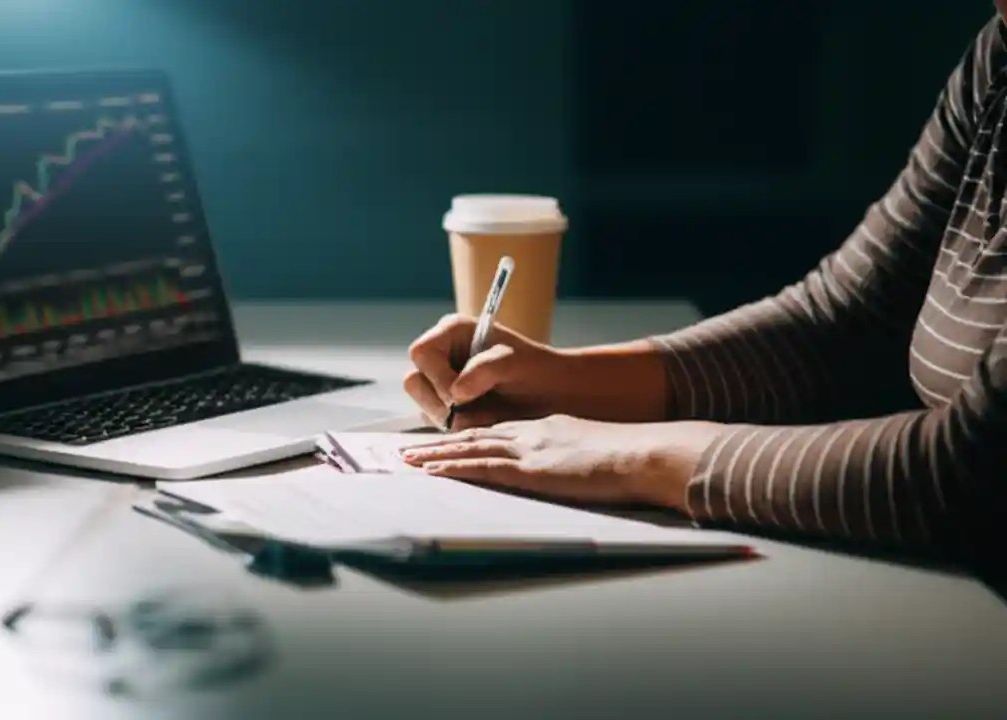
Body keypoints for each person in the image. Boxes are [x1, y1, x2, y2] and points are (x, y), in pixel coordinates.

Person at [401, 13, 1007, 576]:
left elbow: (975, 472)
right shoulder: (995, 57)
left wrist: (636, 457)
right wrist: (564, 380)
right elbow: (844, 325)